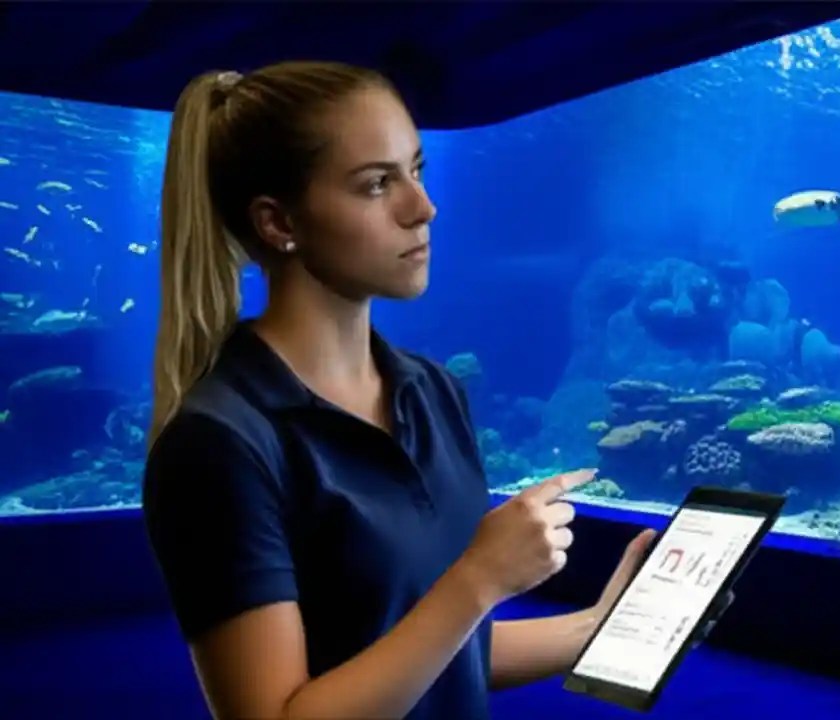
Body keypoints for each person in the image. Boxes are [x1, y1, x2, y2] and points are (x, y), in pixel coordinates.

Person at [140, 60, 709, 720]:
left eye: (416, 170)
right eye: (377, 183)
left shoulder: (435, 392)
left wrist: (602, 626)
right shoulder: (219, 442)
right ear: (278, 223)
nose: (423, 208)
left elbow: (435, 654)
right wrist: (479, 578)